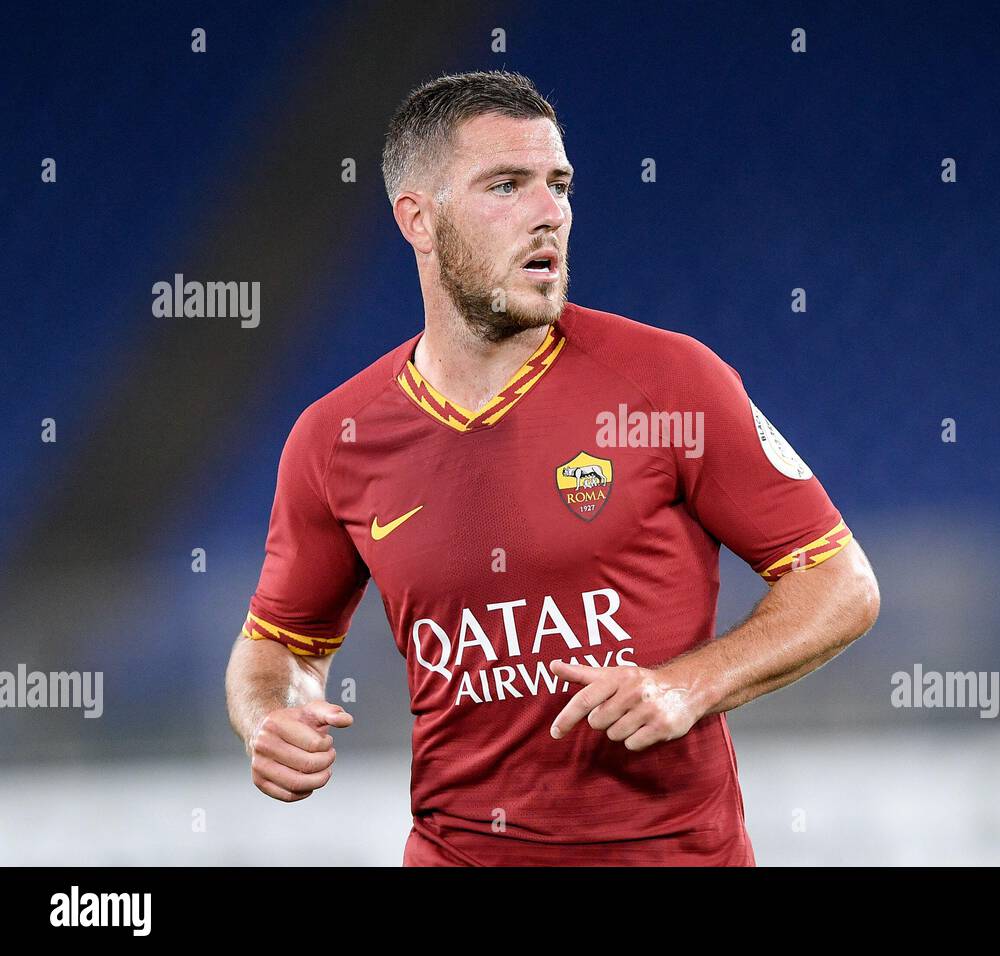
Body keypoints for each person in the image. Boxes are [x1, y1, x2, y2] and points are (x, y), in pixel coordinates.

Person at [224, 70, 880, 866]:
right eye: (507, 185)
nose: (549, 214)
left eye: (559, 185)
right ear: (418, 219)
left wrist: (688, 685)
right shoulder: (336, 438)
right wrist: (273, 717)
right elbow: (282, 642)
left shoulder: (671, 381)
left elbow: (840, 582)